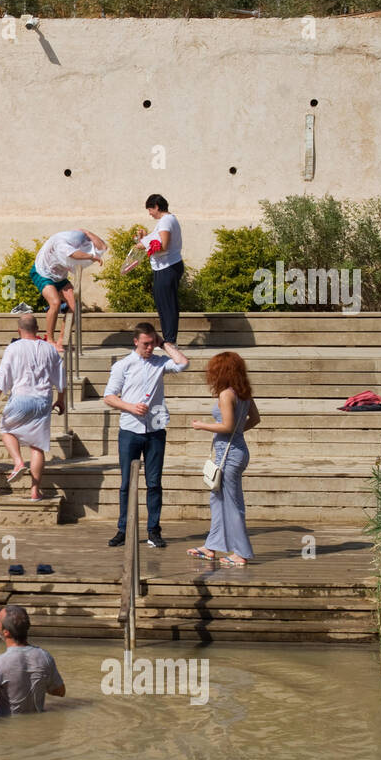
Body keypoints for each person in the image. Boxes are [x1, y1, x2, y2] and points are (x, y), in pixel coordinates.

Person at [102, 321, 190, 549]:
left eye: (152, 343)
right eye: (146, 344)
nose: (149, 348)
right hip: (130, 429)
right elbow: (109, 396)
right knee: (126, 484)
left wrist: (165, 344)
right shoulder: (124, 365)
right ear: (136, 342)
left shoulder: (160, 362)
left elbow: (183, 363)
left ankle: (154, 530)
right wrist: (130, 407)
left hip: (155, 429)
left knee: (154, 483)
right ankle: (123, 529)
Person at [189, 351, 261, 567]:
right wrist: (237, 432)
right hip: (234, 451)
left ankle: (241, 552)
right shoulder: (244, 394)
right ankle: (211, 546)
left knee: (231, 502)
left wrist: (202, 425)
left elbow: (227, 426)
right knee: (218, 500)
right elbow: (255, 419)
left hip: (228, 455)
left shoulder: (226, 395)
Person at [0, 313, 64, 502]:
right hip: (43, 400)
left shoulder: (13, 348)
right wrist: (61, 399)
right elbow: (61, 379)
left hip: (21, 397)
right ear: (37, 329)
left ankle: (18, 462)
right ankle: (35, 491)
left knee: (6, 430)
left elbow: (3, 376)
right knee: (37, 446)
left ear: (19, 330)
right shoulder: (50, 349)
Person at [0, 606, 65, 717]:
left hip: (4, 729)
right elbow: (60, 691)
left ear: (6, 632)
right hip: (36, 727)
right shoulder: (45, 656)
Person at [31, 227, 107, 349]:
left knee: (75, 305)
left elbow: (103, 247)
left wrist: (88, 232)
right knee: (55, 303)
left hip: (59, 277)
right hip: (42, 273)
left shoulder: (79, 237)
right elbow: (73, 254)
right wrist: (91, 256)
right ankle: (50, 340)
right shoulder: (61, 242)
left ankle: (62, 340)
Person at [136, 194, 184, 346]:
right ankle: (169, 340)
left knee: (167, 305)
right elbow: (157, 240)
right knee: (164, 304)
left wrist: (144, 245)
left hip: (167, 267)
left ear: (156, 207)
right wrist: (145, 238)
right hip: (165, 267)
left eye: (150, 209)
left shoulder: (166, 221)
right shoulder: (168, 220)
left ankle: (170, 341)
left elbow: (164, 245)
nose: (149, 213)